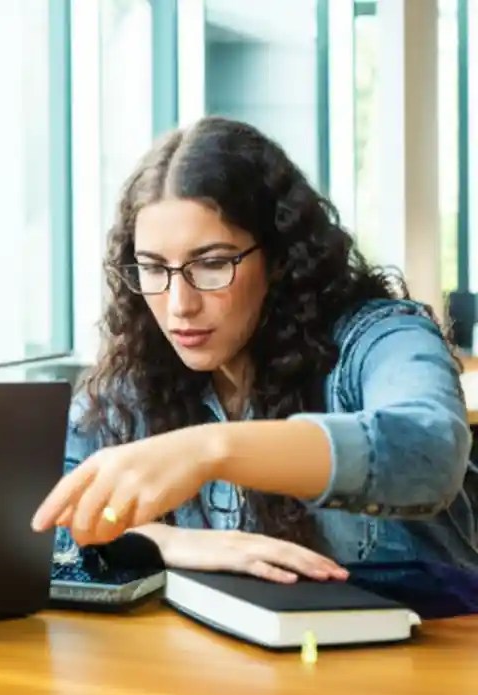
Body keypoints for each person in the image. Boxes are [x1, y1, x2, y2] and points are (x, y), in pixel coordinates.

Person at [32, 116, 476, 583]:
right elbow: (38, 515)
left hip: (423, 650)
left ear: (279, 256)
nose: (180, 305)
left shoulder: (378, 338)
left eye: (212, 264)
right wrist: (169, 542)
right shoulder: (141, 376)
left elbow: (429, 448)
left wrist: (209, 451)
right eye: (153, 268)